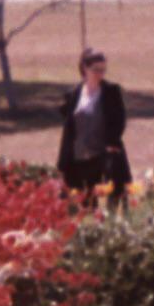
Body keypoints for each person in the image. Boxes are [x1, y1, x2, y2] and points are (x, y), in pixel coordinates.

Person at [56, 48, 131, 208]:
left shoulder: (111, 92)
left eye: (103, 70)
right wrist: (63, 162)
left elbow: (119, 121)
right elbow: (69, 128)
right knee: (82, 205)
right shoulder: (74, 94)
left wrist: (112, 142)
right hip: (78, 159)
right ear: (84, 68)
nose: (100, 74)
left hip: (103, 158)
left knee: (107, 204)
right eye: (96, 70)